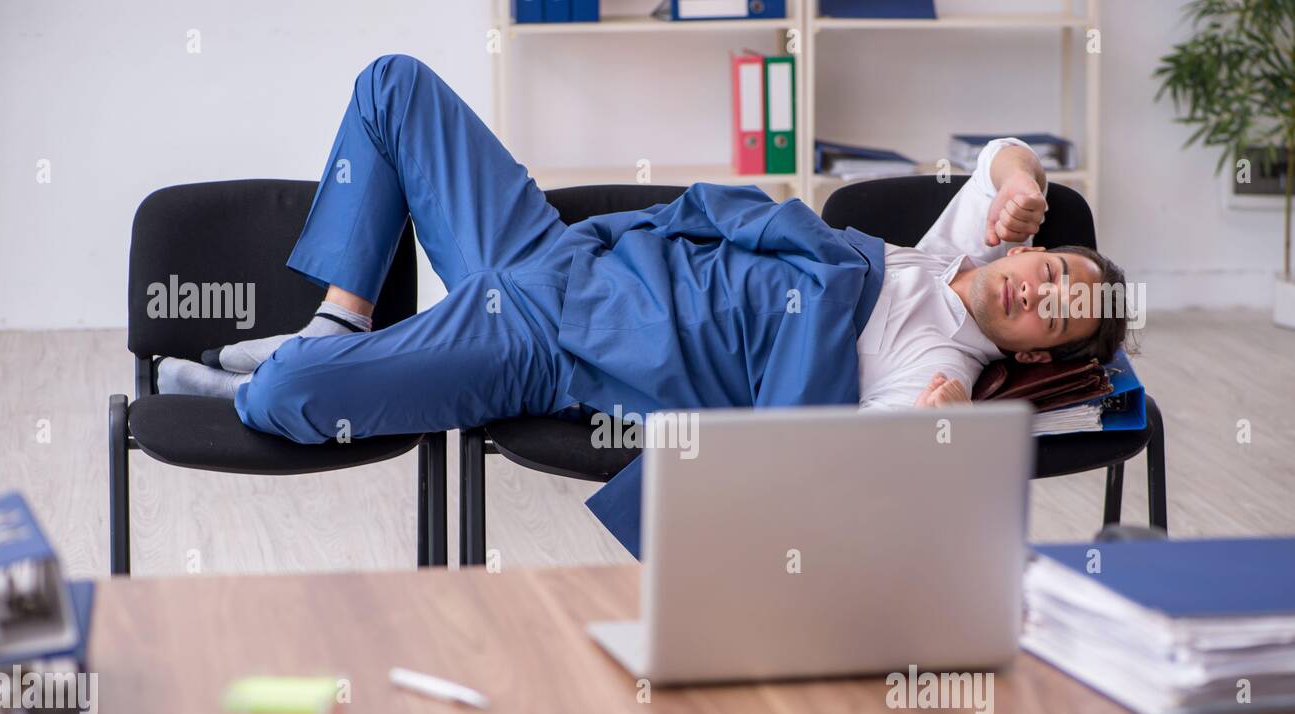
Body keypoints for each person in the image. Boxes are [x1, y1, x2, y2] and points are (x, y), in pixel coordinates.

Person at [155, 54, 1128, 556]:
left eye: (1060, 310)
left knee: (286, 391)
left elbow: (848, 474)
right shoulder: (957, 244)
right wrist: (1019, 176)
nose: (1043, 288)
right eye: (1058, 269)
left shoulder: (939, 373)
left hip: (549, 341)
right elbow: (1001, 148)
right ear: (1028, 244)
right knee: (392, 88)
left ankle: (300, 360)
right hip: (555, 247)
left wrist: (933, 440)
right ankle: (341, 316)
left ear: (1039, 356)